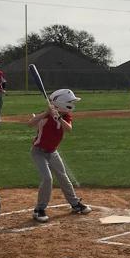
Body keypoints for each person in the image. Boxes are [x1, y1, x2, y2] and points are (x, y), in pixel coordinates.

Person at [29, 88, 91, 222]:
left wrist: (59, 118)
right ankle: (39, 210)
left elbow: (68, 129)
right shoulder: (46, 115)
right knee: (47, 179)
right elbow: (30, 124)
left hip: (52, 152)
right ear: (61, 102)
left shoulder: (66, 115)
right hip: (38, 152)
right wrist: (46, 113)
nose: (72, 104)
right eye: (70, 101)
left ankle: (75, 204)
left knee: (63, 177)